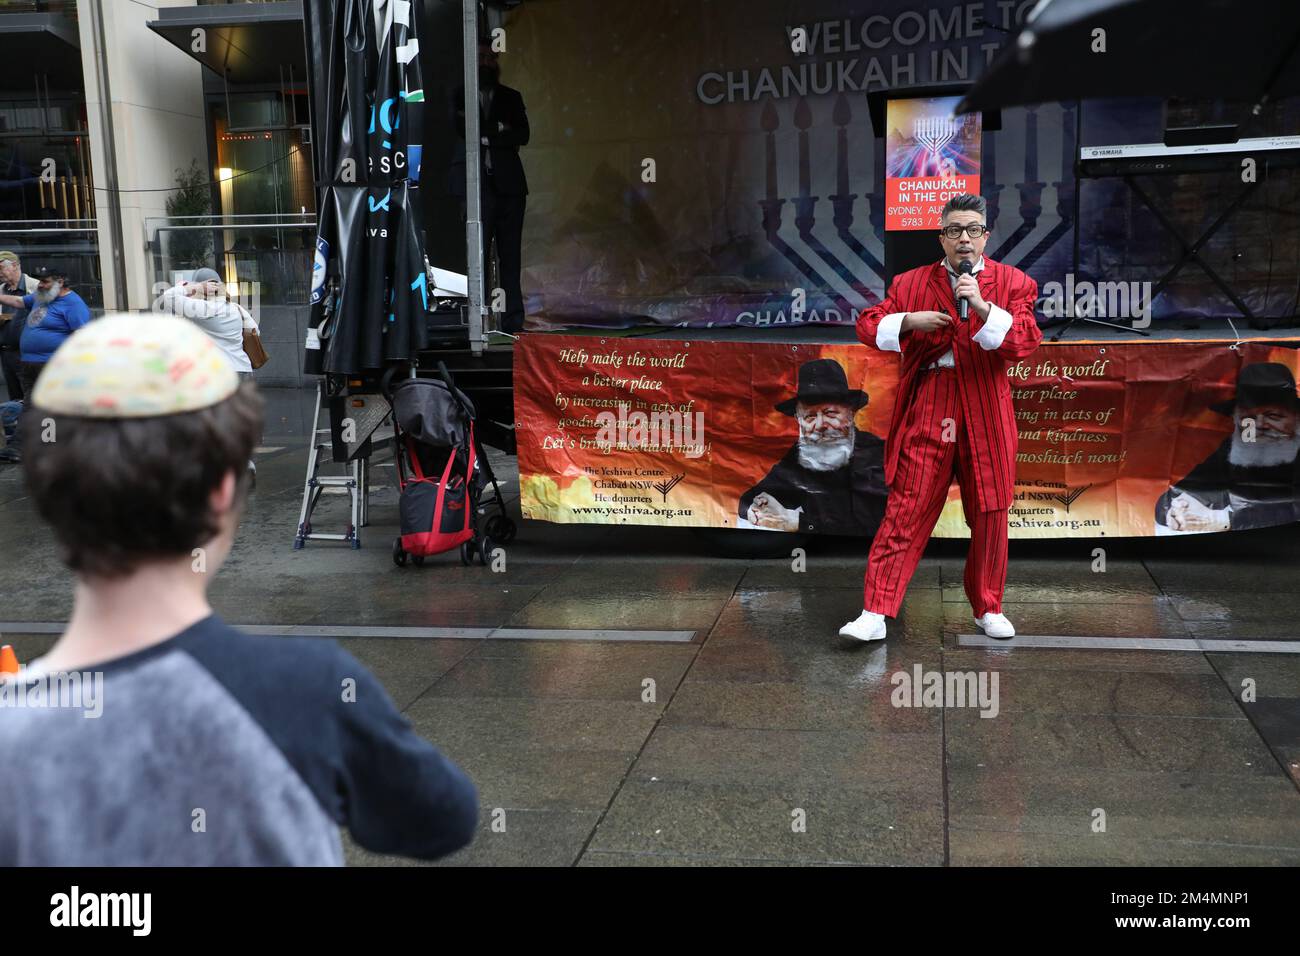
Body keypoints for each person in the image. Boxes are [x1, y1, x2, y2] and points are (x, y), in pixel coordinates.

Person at [0, 315, 478, 865]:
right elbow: (444, 819)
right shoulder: (310, 690)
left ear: (44, 493)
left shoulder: (14, 728)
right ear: (224, 490)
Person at [843, 194, 1042, 643]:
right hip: (931, 400)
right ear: (942, 237)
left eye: (973, 230)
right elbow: (868, 326)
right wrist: (908, 320)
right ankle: (876, 611)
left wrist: (986, 307)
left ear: (986, 236)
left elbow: (1026, 340)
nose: (964, 239)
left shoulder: (1013, 283)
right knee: (906, 507)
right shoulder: (910, 283)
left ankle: (988, 607)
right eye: (954, 230)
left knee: (991, 509)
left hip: (986, 400)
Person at [738, 358, 887, 536]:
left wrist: (795, 522)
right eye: (809, 417)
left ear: (850, 413)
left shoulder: (875, 455)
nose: (820, 424)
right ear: (798, 420)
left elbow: (869, 525)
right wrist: (758, 507)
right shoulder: (801, 455)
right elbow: (749, 500)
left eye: (830, 413)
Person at [1155, 362, 1300, 533]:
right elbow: (1193, 486)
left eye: (1273, 416)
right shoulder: (1234, 448)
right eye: (1250, 417)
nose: (1260, 425)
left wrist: (1225, 520)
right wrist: (1179, 507)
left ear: (1296, 418)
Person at [450, 40, 530, 334]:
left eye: (491, 57)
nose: (486, 62)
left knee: (510, 257)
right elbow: (462, 131)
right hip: (476, 188)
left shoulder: (511, 96)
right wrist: (497, 130)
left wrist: (486, 135)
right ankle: (479, 322)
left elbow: (523, 134)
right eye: (481, 57)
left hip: (509, 188)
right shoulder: (460, 95)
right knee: (478, 259)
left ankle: (513, 324)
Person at [0, 266, 91, 463]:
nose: (40, 285)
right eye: (39, 281)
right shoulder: (42, 297)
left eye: (45, 282)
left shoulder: (74, 304)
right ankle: (26, 446)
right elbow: (17, 301)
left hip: (52, 364)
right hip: (30, 364)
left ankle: (42, 447)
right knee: (32, 406)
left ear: (60, 283)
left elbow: (82, 337)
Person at [157, 267, 254, 376]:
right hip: (243, 367)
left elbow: (169, 296)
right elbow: (254, 332)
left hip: (221, 372)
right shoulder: (236, 308)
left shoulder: (204, 309)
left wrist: (197, 287)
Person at [0, 251, 38, 401]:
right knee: (14, 397)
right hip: (6, 353)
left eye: (1, 267)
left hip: (27, 353)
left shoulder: (36, 287)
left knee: (30, 397)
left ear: (15, 266)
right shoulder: (1, 289)